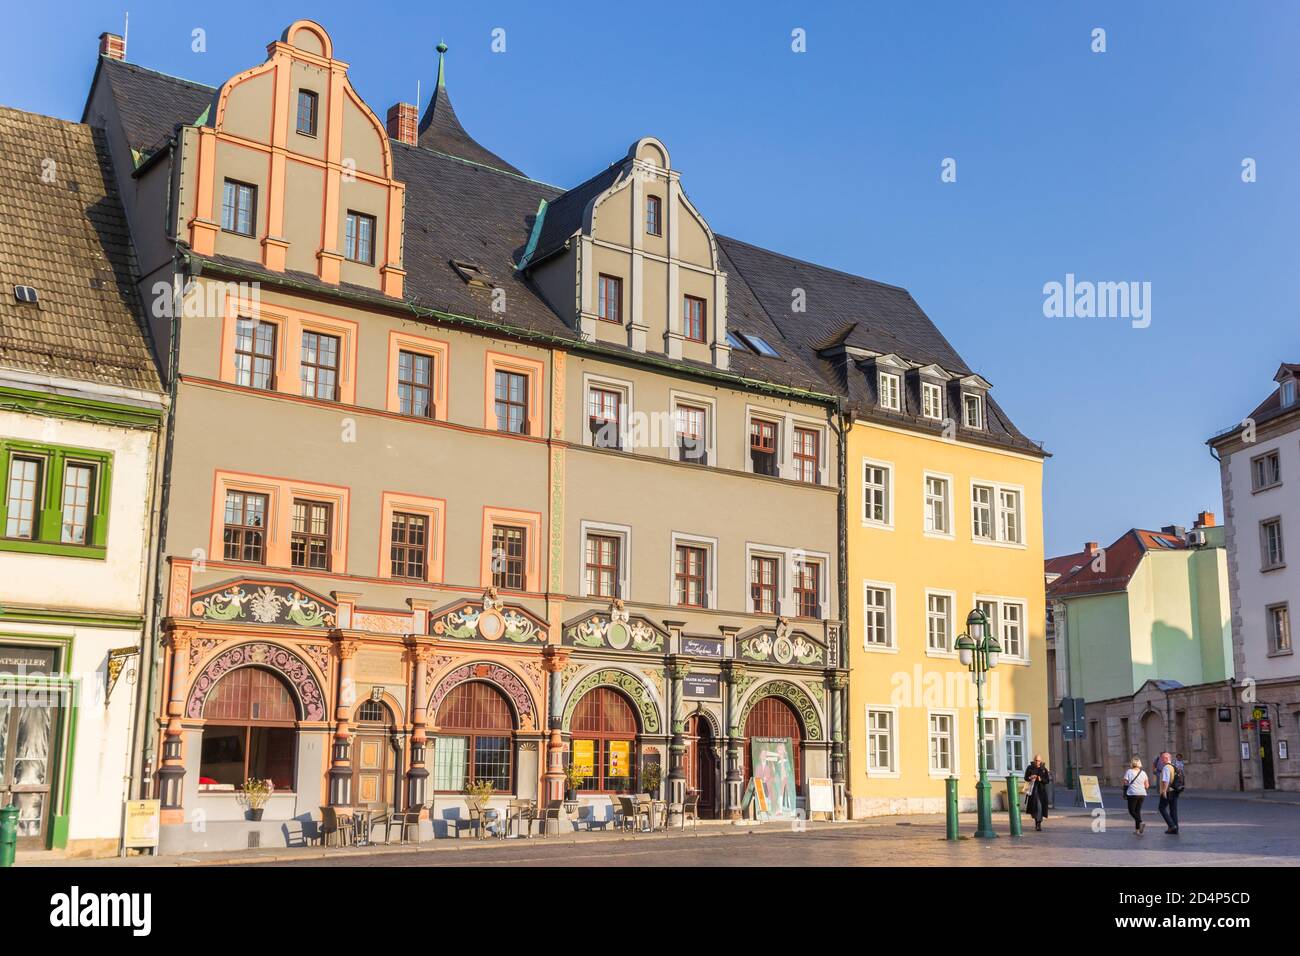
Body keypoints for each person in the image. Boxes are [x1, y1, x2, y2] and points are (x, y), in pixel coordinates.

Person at [1023, 754, 1052, 831]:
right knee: (1035, 808)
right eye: (1036, 760)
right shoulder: (1030, 768)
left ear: (1041, 761)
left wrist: (1040, 779)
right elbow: (1025, 778)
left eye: (1038, 760)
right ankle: (1037, 822)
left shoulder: (1044, 769)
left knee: (1039, 807)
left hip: (1041, 791)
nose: (1037, 762)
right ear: (1034, 760)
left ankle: (1038, 824)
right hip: (1032, 791)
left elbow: (1047, 781)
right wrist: (1030, 777)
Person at [1123, 757, 1149, 834]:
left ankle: (1141, 822)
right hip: (1142, 794)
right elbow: (1147, 785)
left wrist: (1125, 791)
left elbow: (1125, 782)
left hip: (1132, 793)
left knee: (1131, 811)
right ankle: (1137, 830)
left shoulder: (1129, 771)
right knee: (1137, 811)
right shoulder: (1143, 773)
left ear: (1132, 763)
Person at [1158, 750, 1181, 834]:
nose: (1161, 760)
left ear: (1166, 758)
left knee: (1161, 808)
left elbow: (1166, 780)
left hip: (1168, 791)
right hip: (1175, 790)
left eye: (1162, 758)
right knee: (1173, 810)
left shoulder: (1166, 767)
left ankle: (1171, 825)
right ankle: (1175, 828)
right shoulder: (1173, 766)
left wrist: (1164, 791)